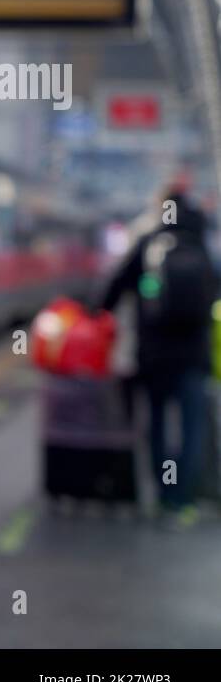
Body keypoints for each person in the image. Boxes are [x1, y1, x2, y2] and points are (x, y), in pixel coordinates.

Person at [99, 186, 218, 527]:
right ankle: (183, 498)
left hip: (154, 356)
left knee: (157, 425)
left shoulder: (150, 240)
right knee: (193, 428)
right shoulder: (204, 241)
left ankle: (162, 494)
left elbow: (113, 287)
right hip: (194, 355)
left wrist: (95, 313)